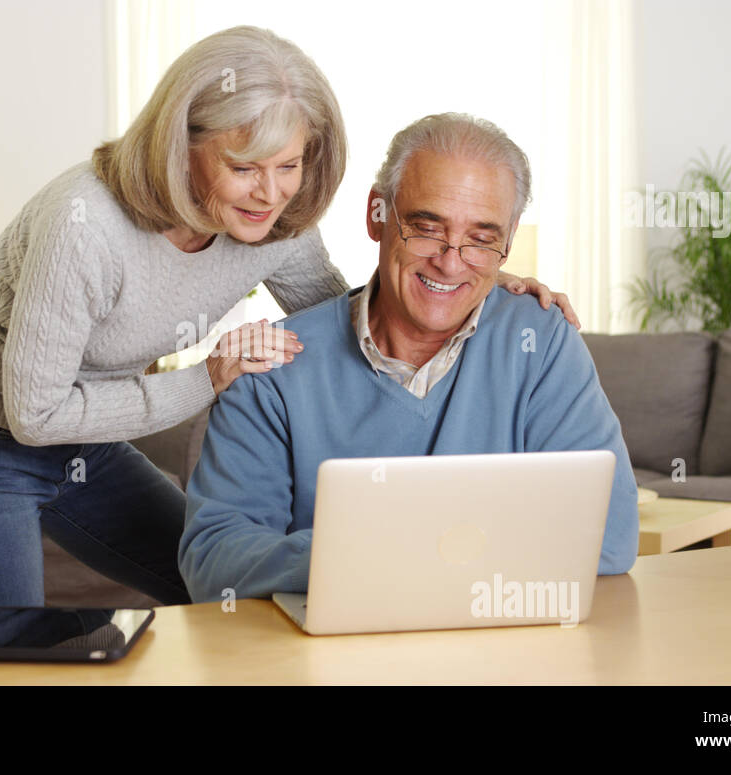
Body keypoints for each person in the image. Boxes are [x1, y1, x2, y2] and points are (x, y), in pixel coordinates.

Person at [0, 27, 578, 626]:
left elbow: (347, 320)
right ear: (182, 144)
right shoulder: (85, 226)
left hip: (87, 429)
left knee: (215, 590)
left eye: (289, 166)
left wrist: (474, 286)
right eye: (243, 167)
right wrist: (209, 377)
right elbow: (35, 415)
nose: (271, 192)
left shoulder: (276, 226)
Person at [178, 112, 638, 603]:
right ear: (378, 214)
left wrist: (380, 554)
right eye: (426, 228)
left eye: (481, 239)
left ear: (508, 238)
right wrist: (377, 554)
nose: (450, 260)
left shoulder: (541, 342)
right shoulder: (270, 364)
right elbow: (215, 561)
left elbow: (607, 537)